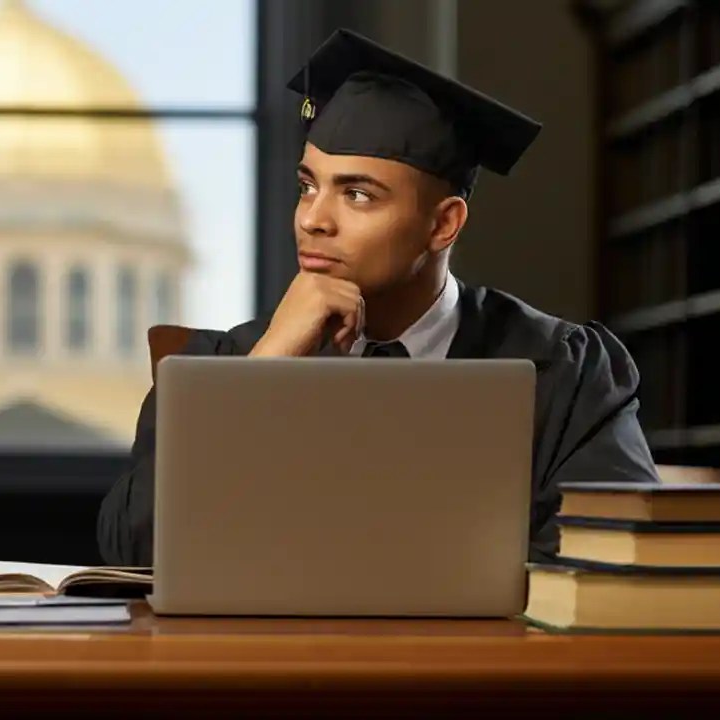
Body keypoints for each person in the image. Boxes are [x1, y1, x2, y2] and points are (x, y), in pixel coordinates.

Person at [97, 28, 660, 568]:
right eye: (307, 186)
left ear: (443, 225)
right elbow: (133, 553)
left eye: (358, 194)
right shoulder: (224, 368)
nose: (313, 220)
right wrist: (261, 378)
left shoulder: (563, 374)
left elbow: (609, 567)